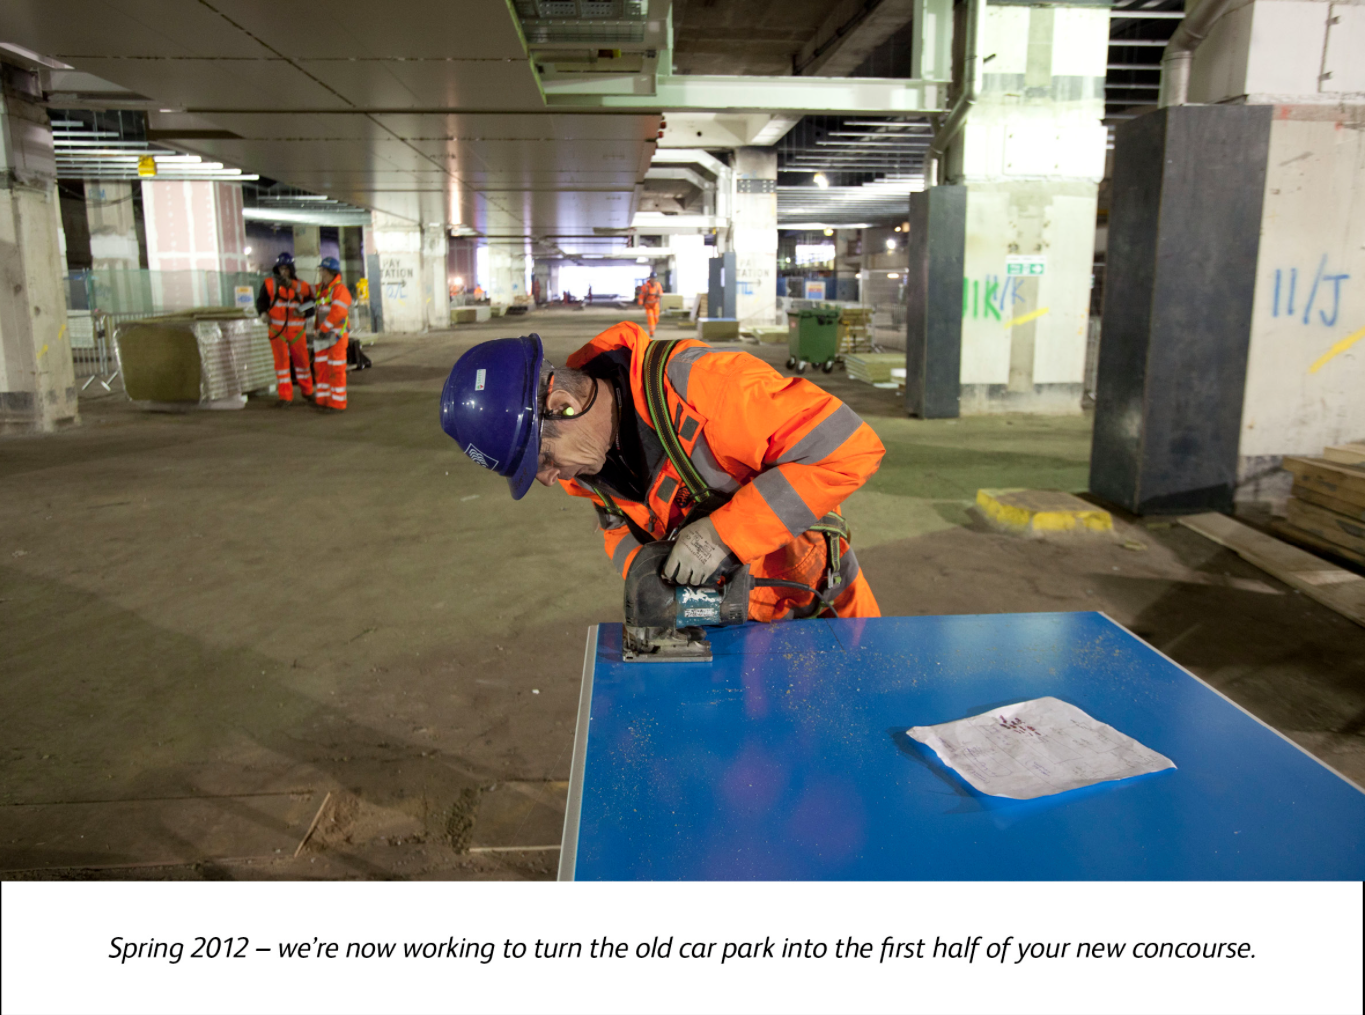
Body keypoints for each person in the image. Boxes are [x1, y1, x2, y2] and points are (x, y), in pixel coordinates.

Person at [438, 323, 883, 620]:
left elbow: (848, 449)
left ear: (562, 406)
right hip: (734, 626)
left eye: (543, 459)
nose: (550, 479)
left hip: (821, 607)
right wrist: (649, 575)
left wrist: (723, 535)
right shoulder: (588, 465)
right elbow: (617, 526)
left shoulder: (705, 385)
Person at [255, 252, 315, 406]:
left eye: (286, 269)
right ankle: (285, 397)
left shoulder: (302, 286)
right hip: (277, 331)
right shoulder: (269, 284)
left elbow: (312, 303)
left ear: (291, 269)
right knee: (281, 366)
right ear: (277, 269)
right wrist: (262, 313)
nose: (284, 272)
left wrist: (305, 311)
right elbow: (261, 301)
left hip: (296, 332)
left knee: (302, 363)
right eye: (281, 269)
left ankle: (308, 392)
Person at [311, 256, 353, 412]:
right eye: (321, 271)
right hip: (324, 335)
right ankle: (323, 399)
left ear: (331, 272)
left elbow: (338, 313)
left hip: (336, 336)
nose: (321, 274)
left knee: (336, 369)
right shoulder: (322, 289)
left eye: (323, 271)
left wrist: (323, 329)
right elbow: (307, 292)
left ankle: (337, 403)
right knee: (321, 367)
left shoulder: (340, 290)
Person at [638, 271, 663, 338]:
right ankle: (651, 332)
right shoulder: (645, 287)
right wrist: (640, 304)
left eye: (654, 278)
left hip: (656, 306)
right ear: (650, 279)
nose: (653, 280)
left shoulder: (658, 285)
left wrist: (659, 295)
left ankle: (653, 328)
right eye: (652, 278)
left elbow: (661, 293)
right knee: (651, 319)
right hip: (648, 306)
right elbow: (641, 296)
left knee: (656, 319)